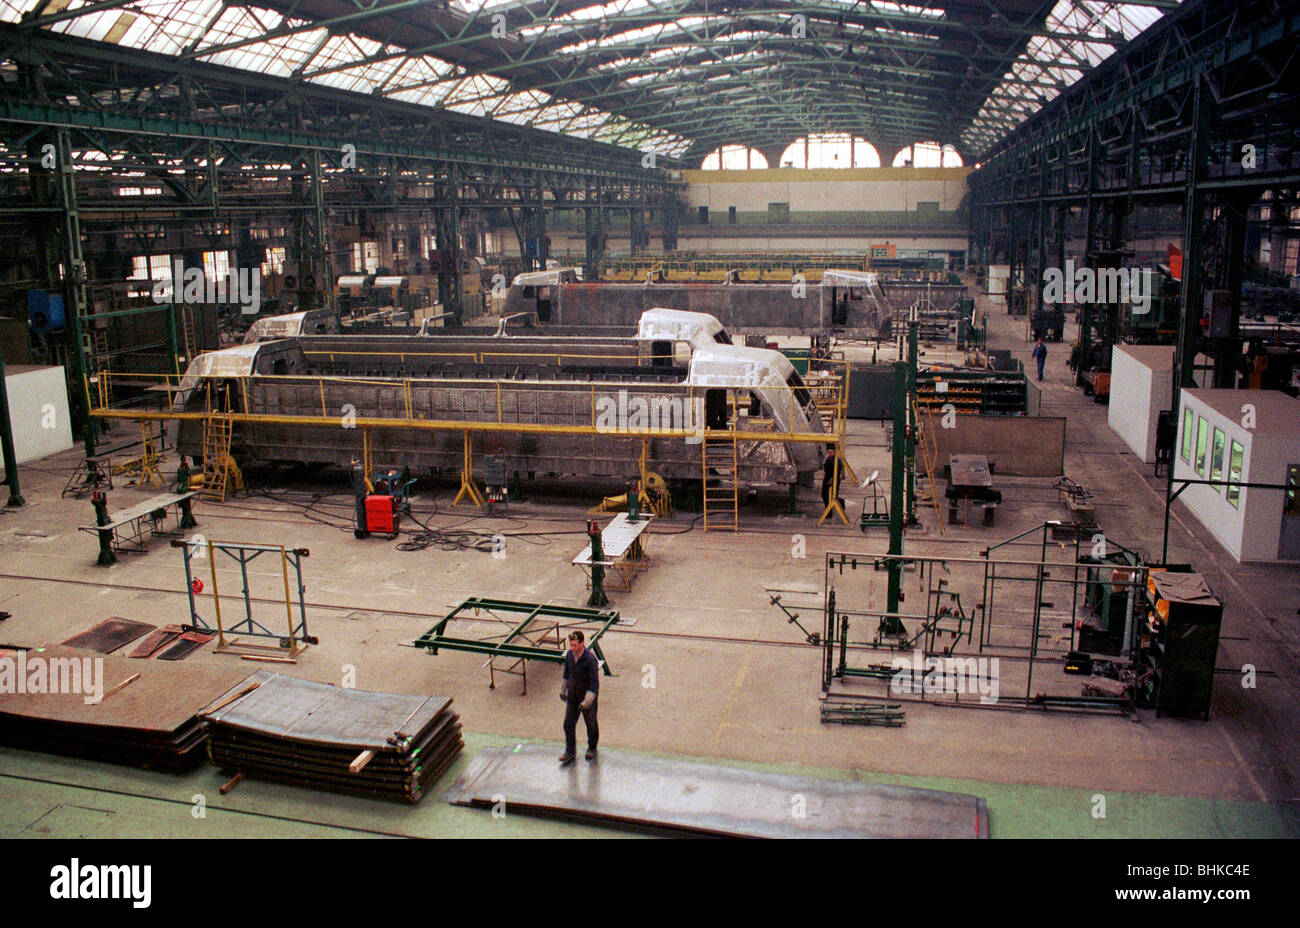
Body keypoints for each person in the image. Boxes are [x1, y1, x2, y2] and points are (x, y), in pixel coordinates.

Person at [559, 630, 600, 764]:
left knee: (591, 724)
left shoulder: (590, 660)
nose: (573, 648)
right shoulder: (570, 655)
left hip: (587, 698)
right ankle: (570, 751)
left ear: (582, 644)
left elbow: (594, 683)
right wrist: (563, 689)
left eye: (575, 645)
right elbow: (566, 673)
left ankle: (592, 747)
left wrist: (587, 701)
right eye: (571, 645)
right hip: (573, 697)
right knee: (568, 724)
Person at [821, 445, 846, 513]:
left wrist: (831, 480)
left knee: (832, 496)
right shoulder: (829, 458)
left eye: (831, 452)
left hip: (833, 479)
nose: (829, 453)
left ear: (834, 452)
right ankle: (828, 511)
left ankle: (839, 504)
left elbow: (837, 471)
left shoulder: (836, 460)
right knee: (825, 495)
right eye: (828, 452)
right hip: (827, 478)